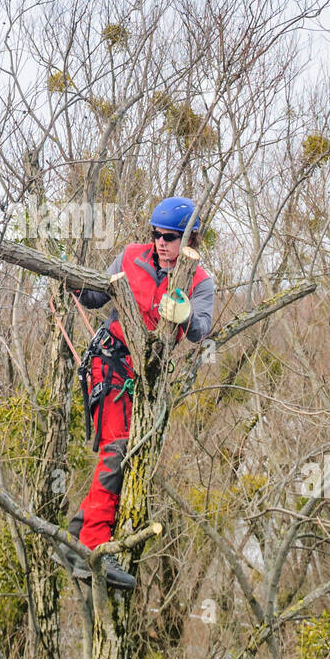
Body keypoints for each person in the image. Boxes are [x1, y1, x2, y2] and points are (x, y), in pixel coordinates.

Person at [63, 197, 214, 590]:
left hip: (146, 376)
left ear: (189, 238)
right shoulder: (131, 257)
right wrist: (69, 272)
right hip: (110, 361)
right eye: (156, 235)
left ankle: (76, 537)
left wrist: (184, 318)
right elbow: (97, 294)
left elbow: (202, 329)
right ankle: (94, 549)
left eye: (170, 237)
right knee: (116, 449)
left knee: (129, 454)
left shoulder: (200, 280)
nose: (161, 243)